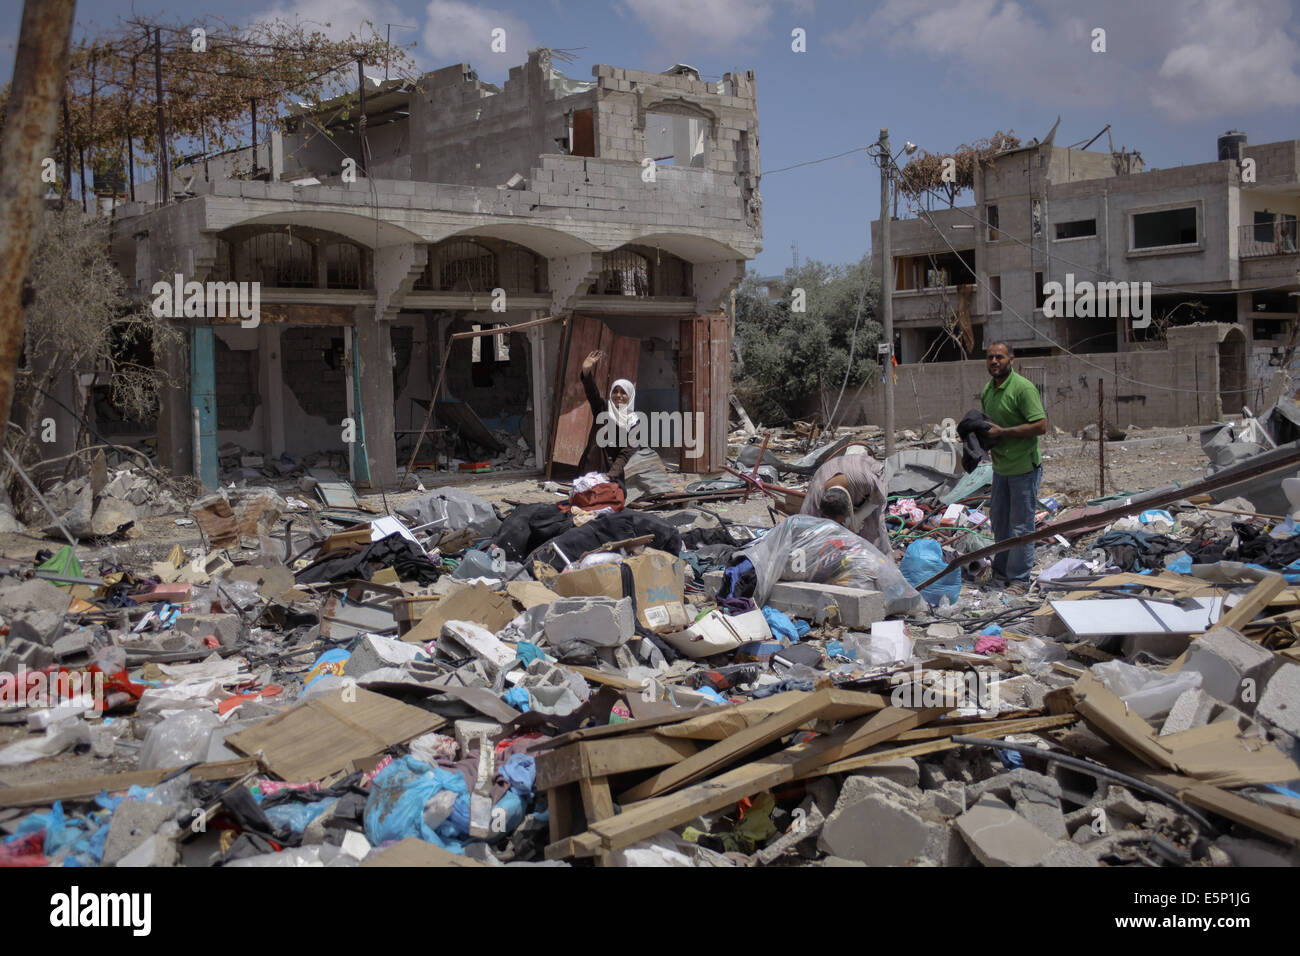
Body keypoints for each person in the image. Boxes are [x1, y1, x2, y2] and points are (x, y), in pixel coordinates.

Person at [981, 341, 1047, 594]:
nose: (994, 361)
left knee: (1021, 526)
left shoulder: (1023, 388)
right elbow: (989, 425)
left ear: (1011, 359)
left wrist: (1004, 432)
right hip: (1001, 468)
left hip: (1023, 467)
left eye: (999, 357)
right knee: (999, 523)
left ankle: (1019, 579)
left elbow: (1040, 425)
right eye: (990, 358)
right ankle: (1001, 574)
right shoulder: (989, 390)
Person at [799, 451, 892, 557]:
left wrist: (858, 517)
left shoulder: (867, 480)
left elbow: (878, 499)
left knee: (875, 529)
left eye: (842, 520)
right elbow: (806, 525)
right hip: (830, 470)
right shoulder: (816, 496)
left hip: (867, 475)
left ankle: (879, 560)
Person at [577, 349, 634, 484]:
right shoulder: (603, 409)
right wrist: (586, 372)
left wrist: (610, 476)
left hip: (611, 475)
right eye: (615, 391)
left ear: (630, 396)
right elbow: (592, 393)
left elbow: (625, 454)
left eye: (623, 392)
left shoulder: (634, 422)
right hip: (590, 469)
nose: (618, 395)